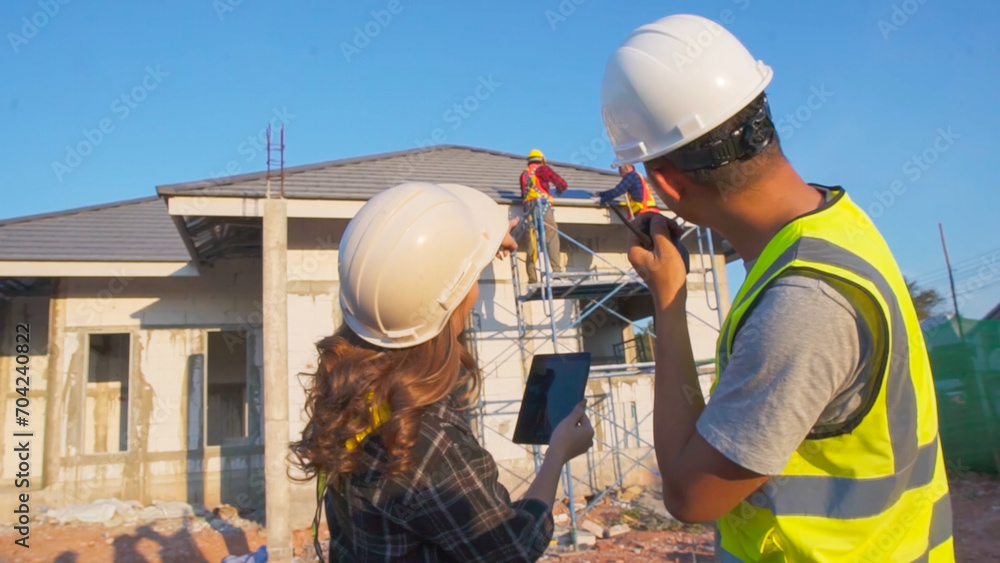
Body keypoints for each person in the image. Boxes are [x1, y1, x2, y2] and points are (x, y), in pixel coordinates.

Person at [600, 14, 953, 562]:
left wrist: (669, 304)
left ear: (665, 184)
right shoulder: (837, 223)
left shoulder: (800, 305)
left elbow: (691, 497)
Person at [290, 182, 595, 562]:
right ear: (456, 301)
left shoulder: (351, 394)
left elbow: (420, 265)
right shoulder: (427, 440)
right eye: (469, 283)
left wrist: (478, 236)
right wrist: (558, 455)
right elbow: (511, 548)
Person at [519, 149, 568, 284]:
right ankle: (557, 271)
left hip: (528, 210)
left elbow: (523, 194)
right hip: (542, 207)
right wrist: (558, 191)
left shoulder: (524, 174)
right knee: (551, 236)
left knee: (532, 243)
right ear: (541, 160)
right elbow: (562, 184)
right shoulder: (542, 169)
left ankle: (532, 278)